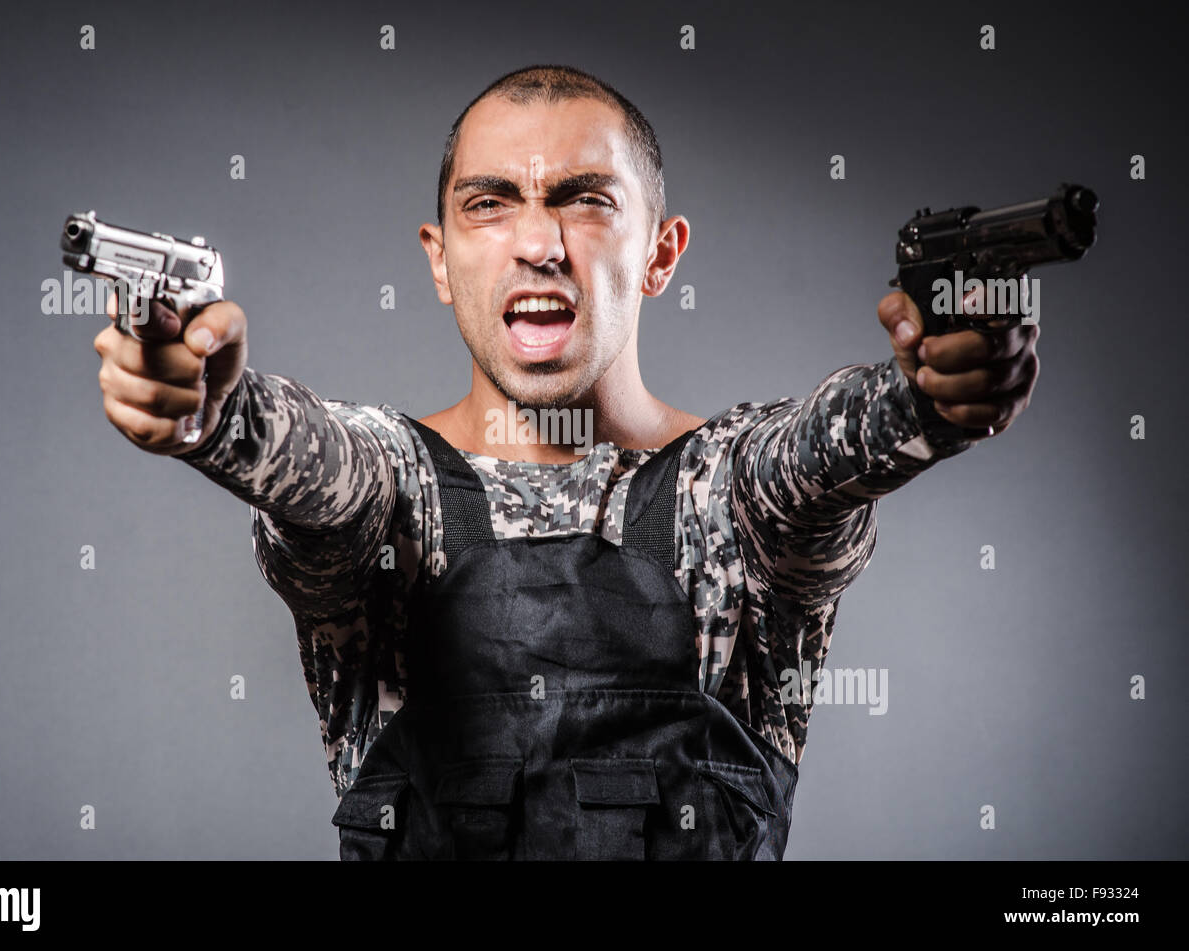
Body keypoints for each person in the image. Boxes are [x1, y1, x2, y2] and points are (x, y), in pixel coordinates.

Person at [92, 64, 1039, 860]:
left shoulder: (734, 492)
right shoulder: (392, 493)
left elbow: (831, 447)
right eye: (489, 204)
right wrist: (215, 416)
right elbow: (310, 461)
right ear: (439, 257)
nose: (539, 243)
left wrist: (929, 397)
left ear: (661, 253)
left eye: (585, 202)